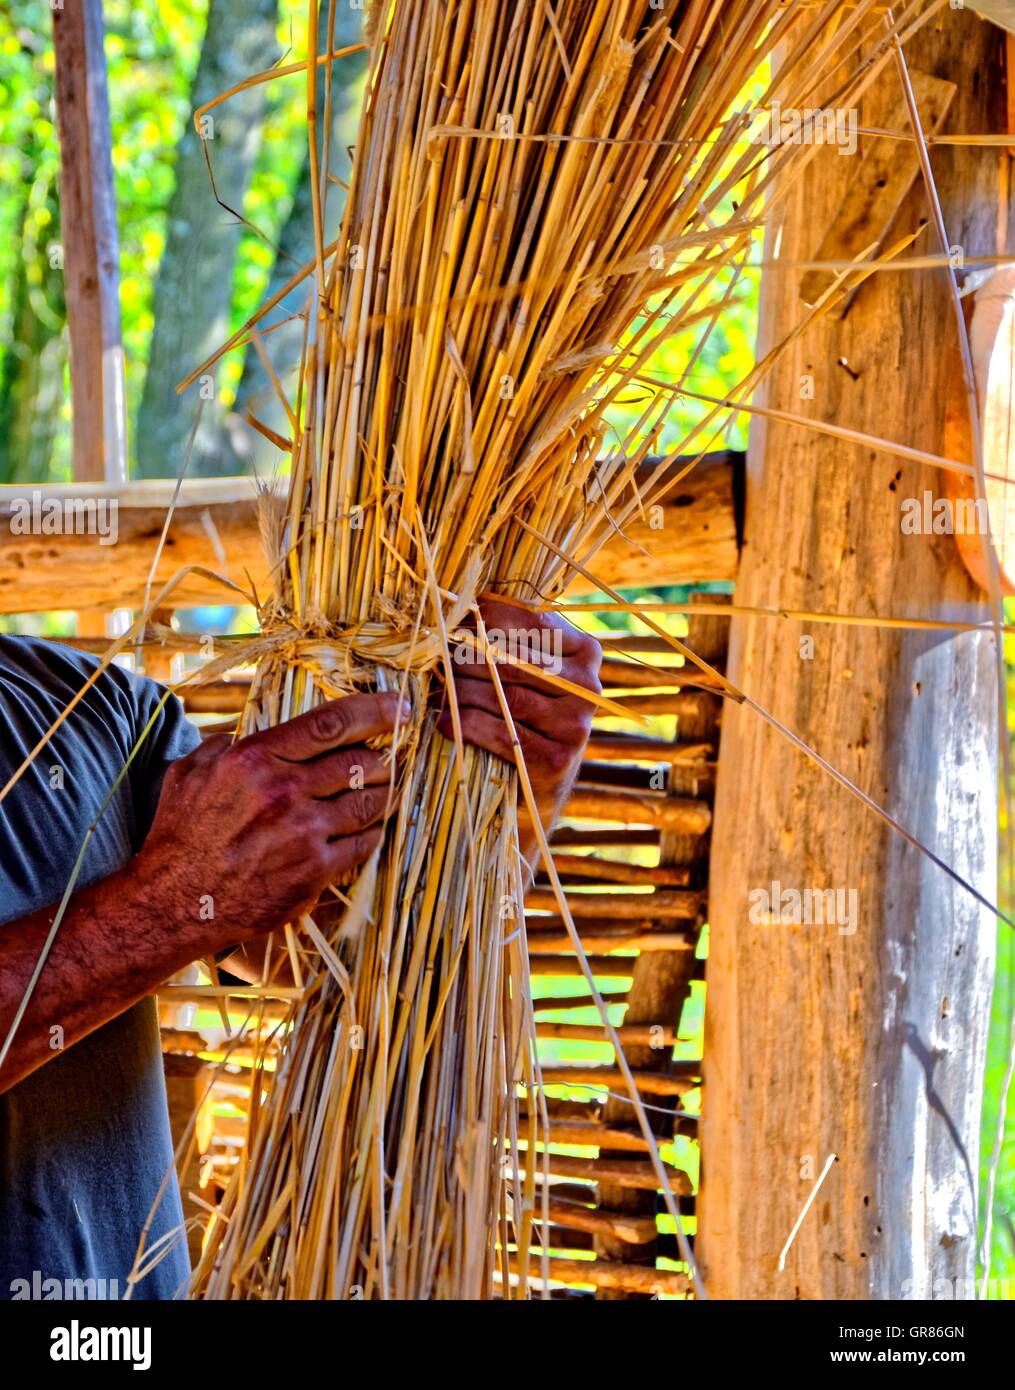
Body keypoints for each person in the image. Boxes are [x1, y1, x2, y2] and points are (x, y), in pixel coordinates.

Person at [0, 599, 601, 1298]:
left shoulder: (83, 705)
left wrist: (499, 799)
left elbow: (331, 953)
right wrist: (166, 906)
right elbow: (185, 902)